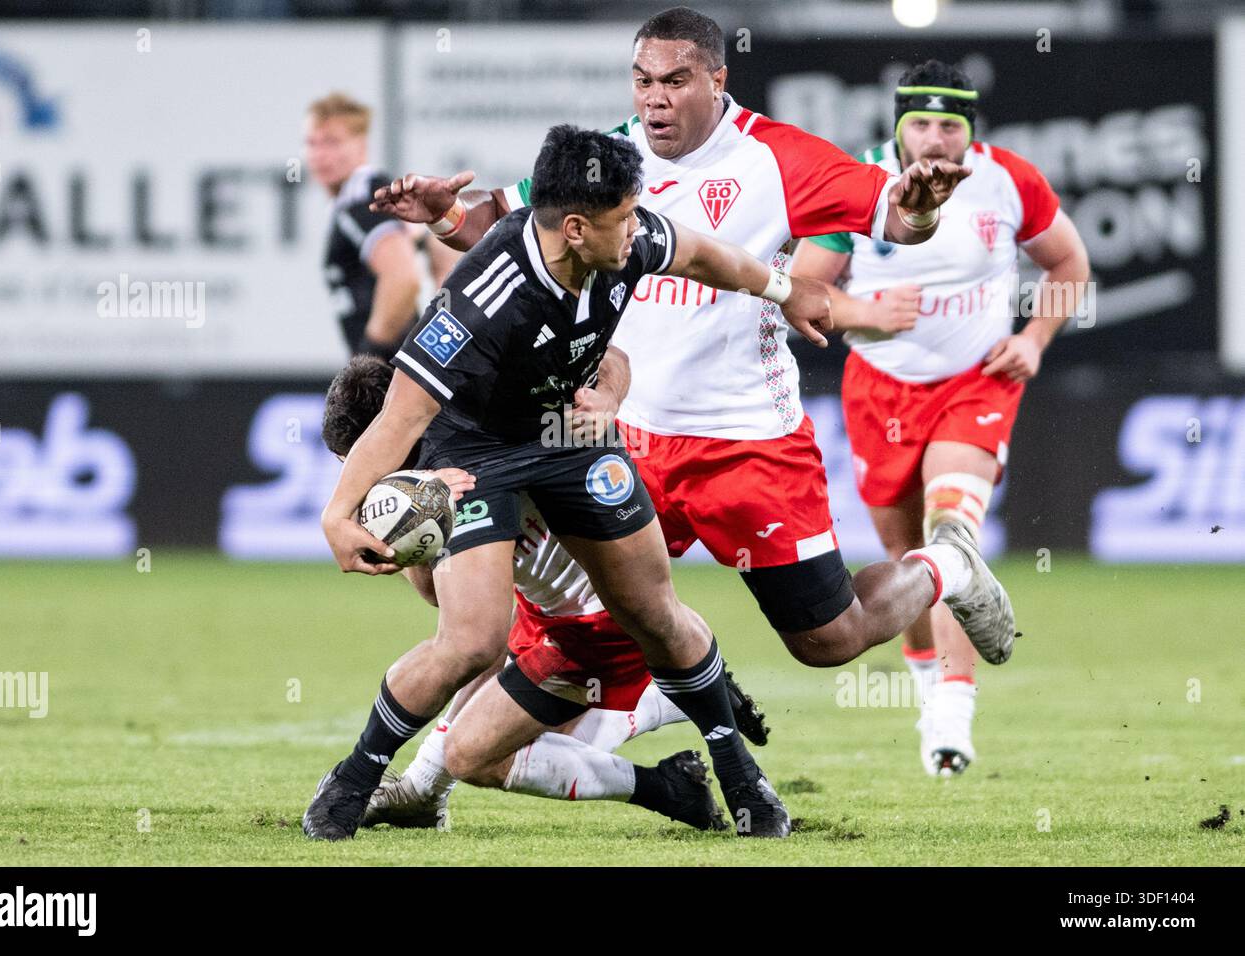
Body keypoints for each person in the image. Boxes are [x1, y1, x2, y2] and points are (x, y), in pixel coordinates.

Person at [369, 10, 1014, 723]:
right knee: (564, 627)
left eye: (675, 81)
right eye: (643, 81)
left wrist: (919, 214)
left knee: (828, 638)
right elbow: (504, 222)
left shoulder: (779, 157)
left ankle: (948, 566)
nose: (655, 98)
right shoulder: (607, 161)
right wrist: (440, 217)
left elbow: (893, 216)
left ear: (717, 79)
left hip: (748, 440)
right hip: (623, 438)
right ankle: (437, 777)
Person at [305, 124, 842, 841]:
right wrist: (339, 517)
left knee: (655, 610)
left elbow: (706, 259)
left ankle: (739, 774)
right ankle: (354, 778)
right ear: (577, 228)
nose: (639, 230)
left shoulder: (627, 238)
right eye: (623, 219)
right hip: (484, 450)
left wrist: (784, 289)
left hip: (569, 438)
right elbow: (402, 413)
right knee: (471, 639)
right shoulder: (483, 301)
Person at [320, 355, 770, 830]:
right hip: (546, 610)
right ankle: (421, 793)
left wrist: (406, 525)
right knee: (477, 641)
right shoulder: (461, 414)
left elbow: (611, 355)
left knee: (473, 753)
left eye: (355, 465)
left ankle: (668, 753)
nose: (354, 481)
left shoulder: (462, 463)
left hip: (596, 626)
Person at [791, 61, 1089, 774]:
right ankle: (929, 683)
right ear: (896, 128)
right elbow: (799, 290)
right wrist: (866, 312)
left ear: (970, 132)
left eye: (950, 125)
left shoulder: (1009, 180)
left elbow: (1069, 264)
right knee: (905, 567)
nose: (935, 138)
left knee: (950, 533)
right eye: (920, 123)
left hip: (975, 385)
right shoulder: (856, 186)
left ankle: (955, 709)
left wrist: (1032, 340)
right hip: (881, 391)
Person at [304, 92, 422, 357]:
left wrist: (370, 358)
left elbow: (403, 278)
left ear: (361, 146)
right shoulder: (374, 193)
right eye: (312, 143)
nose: (320, 155)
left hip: (395, 373)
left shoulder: (364, 201)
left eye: (332, 142)